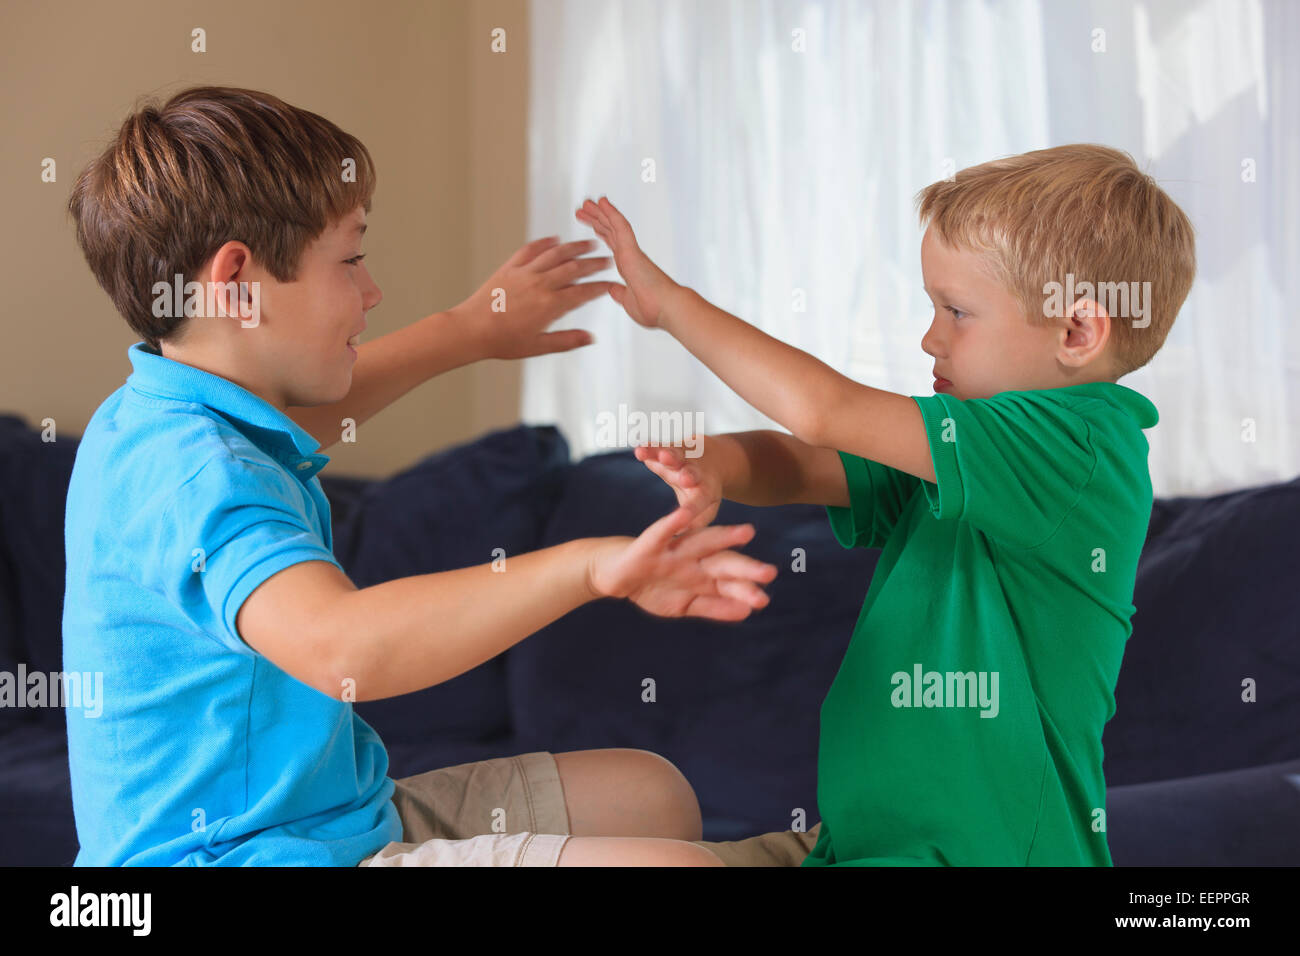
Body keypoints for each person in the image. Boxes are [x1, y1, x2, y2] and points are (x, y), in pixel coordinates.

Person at [62, 86, 777, 867]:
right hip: (248, 857)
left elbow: (314, 412)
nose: (371, 292)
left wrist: (470, 330)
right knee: (675, 866)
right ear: (237, 282)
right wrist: (590, 567)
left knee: (652, 794)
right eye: (351, 258)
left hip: (337, 814)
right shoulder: (192, 472)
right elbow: (345, 650)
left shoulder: (163, 412)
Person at [576, 142, 1196, 864]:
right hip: (863, 847)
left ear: (1077, 332)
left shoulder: (1077, 449)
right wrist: (715, 460)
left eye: (957, 311)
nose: (929, 336)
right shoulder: (969, 445)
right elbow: (810, 464)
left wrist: (672, 306)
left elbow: (821, 410)